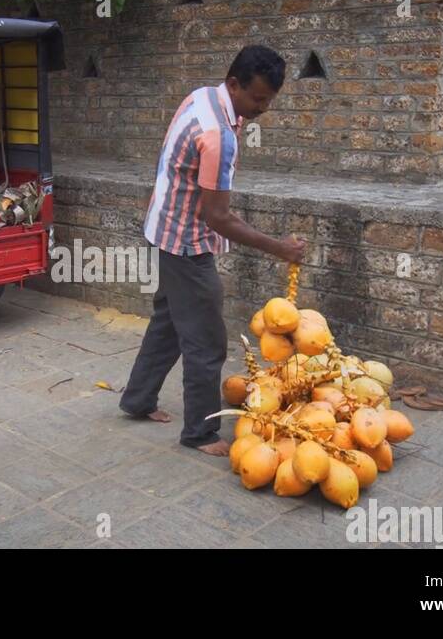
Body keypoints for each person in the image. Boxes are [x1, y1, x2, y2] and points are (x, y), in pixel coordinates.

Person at [119, 45, 307, 457]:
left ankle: (137, 399)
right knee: (206, 341)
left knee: (168, 321)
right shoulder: (218, 135)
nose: (263, 109)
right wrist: (280, 248)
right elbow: (217, 217)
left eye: (270, 100)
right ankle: (200, 432)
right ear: (235, 84)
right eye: (258, 99)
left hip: (162, 227)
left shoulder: (203, 96)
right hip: (185, 243)